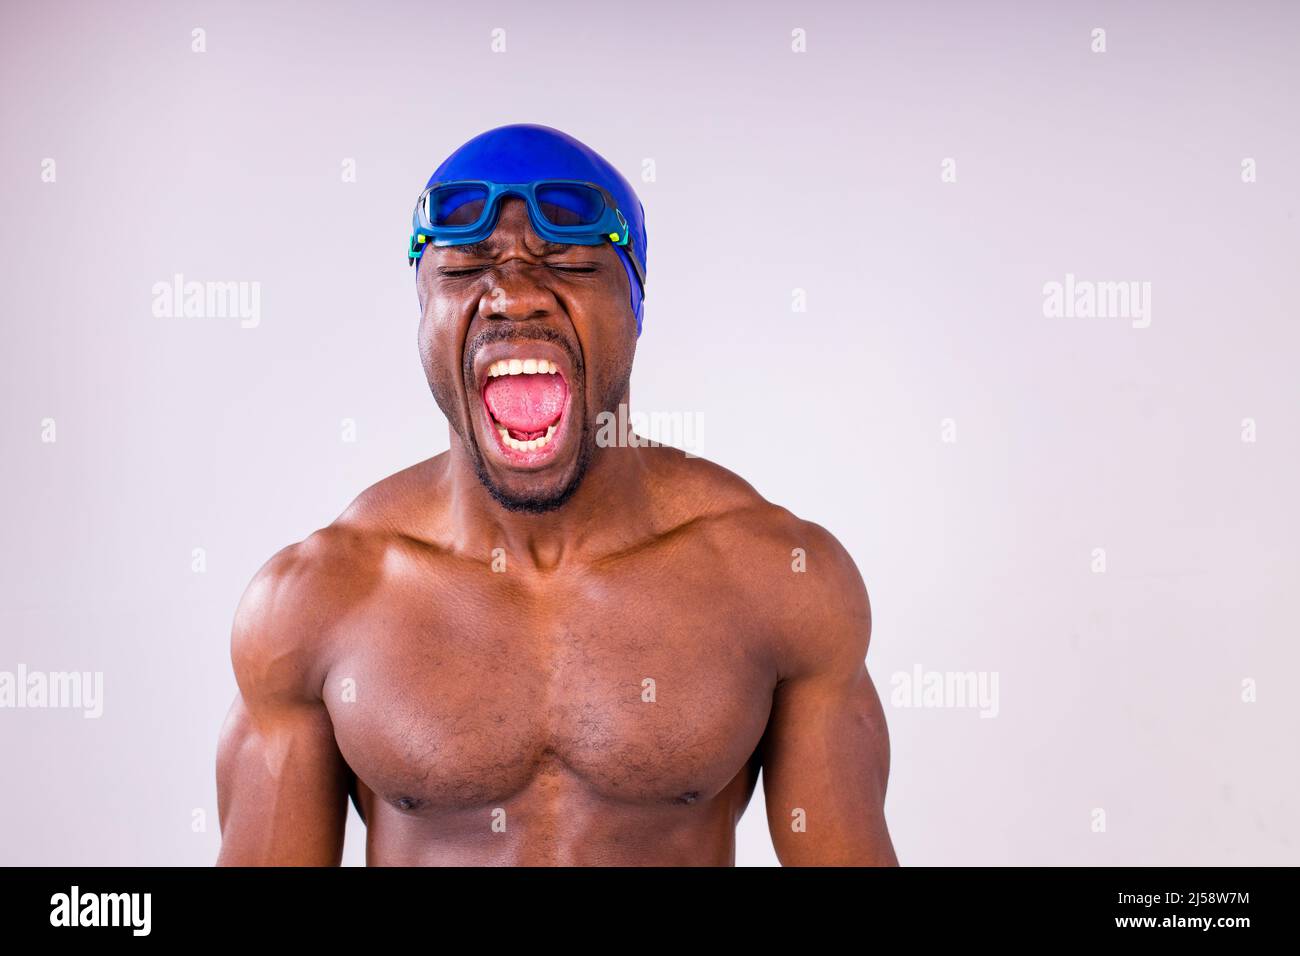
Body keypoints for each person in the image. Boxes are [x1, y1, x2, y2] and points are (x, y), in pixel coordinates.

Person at [215, 124, 898, 866]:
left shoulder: (778, 580)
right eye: (464, 267)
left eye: (568, 261)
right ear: (423, 315)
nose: (511, 294)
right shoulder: (315, 601)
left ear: (635, 306)